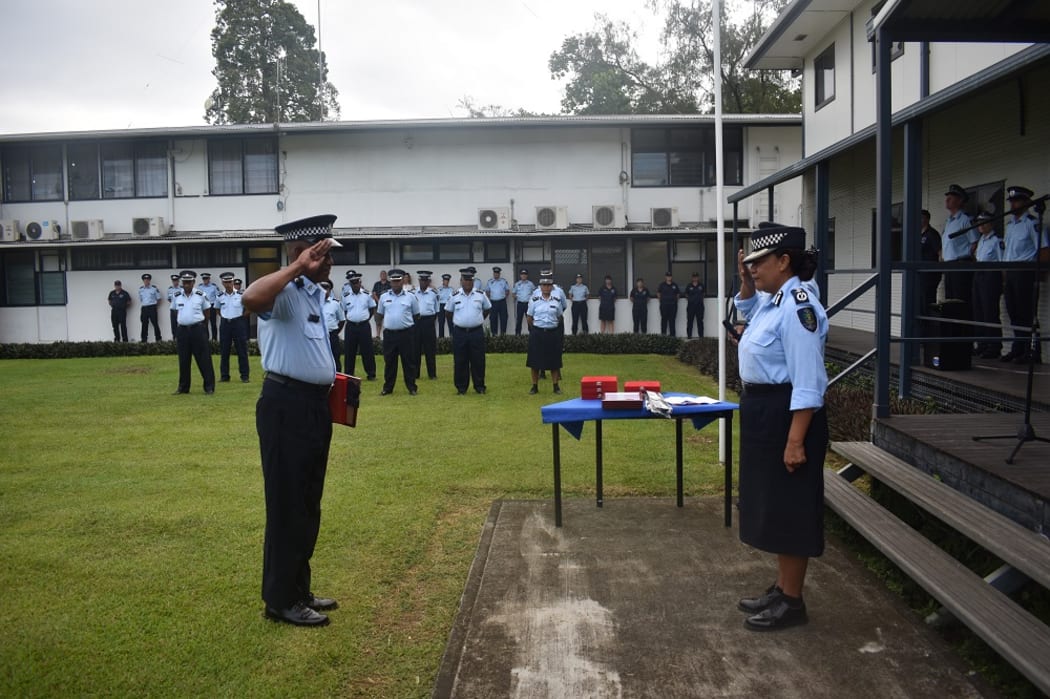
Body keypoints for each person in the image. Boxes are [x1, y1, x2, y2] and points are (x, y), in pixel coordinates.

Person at [241, 213, 342, 627]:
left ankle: (299, 589)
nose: (331, 262)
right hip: (286, 406)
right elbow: (250, 299)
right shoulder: (284, 292)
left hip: (315, 407)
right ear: (303, 255)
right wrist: (297, 269)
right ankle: (279, 600)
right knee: (286, 505)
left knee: (307, 503)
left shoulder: (313, 294)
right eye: (324, 255)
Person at [732, 223, 828, 632]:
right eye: (750, 263)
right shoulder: (774, 301)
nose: (752, 268)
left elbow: (808, 381)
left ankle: (792, 602)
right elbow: (748, 314)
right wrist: (746, 284)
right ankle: (782, 587)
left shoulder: (799, 306)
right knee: (772, 503)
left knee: (789, 507)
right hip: (764, 411)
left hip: (787, 416)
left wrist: (795, 441)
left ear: (784, 261)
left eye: (759, 262)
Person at [1001, 186, 1050, 363]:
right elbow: (1008, 252)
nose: (1013, 204)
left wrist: (1040, 274)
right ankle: (1018, 347)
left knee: (1026, 313)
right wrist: (1005, 274)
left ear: (1026, 202)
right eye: (1012, 201)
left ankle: (1031, 350)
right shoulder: (1010, 225)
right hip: (1012, 273)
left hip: (1026, 272)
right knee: (1013, 312)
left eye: (1017, 201)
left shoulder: (1032, 223)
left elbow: (1043, 249)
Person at [446, 267, 491, 394]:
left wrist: (478, 319)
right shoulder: (454, 295)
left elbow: (487, 309)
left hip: (476, 332)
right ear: (461, 281)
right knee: (460, 360)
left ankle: (479, 386)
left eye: (470, 280)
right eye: (465, 280)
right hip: (460, 332)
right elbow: (448, 312)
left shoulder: (480, 294)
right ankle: (461, 388)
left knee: (478, 360)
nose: (468, 282)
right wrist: (459, 321)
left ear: (473, 281)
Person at [171, 270, 216, 395]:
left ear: (193, 282)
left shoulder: (200, 295)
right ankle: (183, 387)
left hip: (197, 330)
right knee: (184, 360)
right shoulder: (176, 296)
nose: (186, 284)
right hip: (183, 331)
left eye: (189, 282)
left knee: (204, 359)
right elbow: (174, 312)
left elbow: (207, 311)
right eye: (184, 282)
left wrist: (202, 326)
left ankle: (209, 387)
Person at [376, 269, 419, 395]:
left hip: (406, 333)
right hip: (390, 334)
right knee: (389, 362)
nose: (396, 284)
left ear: (402, 282)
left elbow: (416, 315)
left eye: (398, 281)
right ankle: (387, 388)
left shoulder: (411, 297)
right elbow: (379, 315)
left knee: (409, 362)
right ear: (390, 282)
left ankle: (412, 387)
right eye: (393, 281)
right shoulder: (384, 297)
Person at [971, 212, 1003, 359]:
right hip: (979, 274)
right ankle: (982, 344)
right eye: (979, 223)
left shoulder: (997, 240)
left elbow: (1003, 261)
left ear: (991, 224)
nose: (981, 226)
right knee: (979, 311)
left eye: (984, 223)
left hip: (991, 275)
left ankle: (994, 346)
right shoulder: (981, 240)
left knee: (990, 311)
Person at [527, 275, 566, 394]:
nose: (546, 287)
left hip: (552, 333)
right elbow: (529, 317)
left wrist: (552, 326)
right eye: (544, 285)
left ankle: (555, 386)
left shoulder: (557, 300)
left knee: (554, 361)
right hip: (538, 333)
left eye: (549, 285)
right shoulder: (534, 300)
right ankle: (534, 386)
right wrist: (534, 329)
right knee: (535, 362)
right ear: (540, 287)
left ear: (551, 287)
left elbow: (560, 316)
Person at [941, 184, 976, 309]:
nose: (947, 200)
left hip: (961, 265)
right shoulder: (949, 221)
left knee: (961, 301)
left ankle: (964, 328)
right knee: (950, 301)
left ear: (960, 200)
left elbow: (974, 243)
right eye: (947, 197)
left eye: (951, 197)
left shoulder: (966, 220)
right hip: (949, 266)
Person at [341, 271, 377, 380]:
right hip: (351, 326)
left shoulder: (367, 295)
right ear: (350, 284)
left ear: (360, 282)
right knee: (349, 351)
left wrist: (364, 318)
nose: (355, 285)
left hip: (364, 326)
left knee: (367, 351)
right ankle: (349, 374)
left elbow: (372, 309)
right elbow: (345, 310)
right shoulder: (346, 296)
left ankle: (371, 374)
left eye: (356, 282)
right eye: (353, 283)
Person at [217, 271, 251, 382]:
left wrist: (241, 317)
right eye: (226, 282)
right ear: (223, 283)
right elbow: (218, 309)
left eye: (230, 282)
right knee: (224, 351)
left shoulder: (241, 295)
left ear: (233, 282)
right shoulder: (219, 296)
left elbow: (248, 308)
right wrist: (225, 317)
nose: (228, 284)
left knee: (242, 350)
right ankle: (224, 376)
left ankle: (245, 376)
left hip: (238, 323)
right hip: (225, 323)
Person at [414, 270, 439, 380]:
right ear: (419, 281)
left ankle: (432, 374)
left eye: (425, 280)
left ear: (428, 281)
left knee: (430, 349)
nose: (423, 282)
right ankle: (415, 374)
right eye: (421, 280)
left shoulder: (433, 294)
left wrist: (430, 321)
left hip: (429, 322)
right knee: (415, 349)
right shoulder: (413, 293)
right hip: (417, 322)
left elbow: (436, 311)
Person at [919, 209, 942, 314]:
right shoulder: (918, 235)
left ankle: (929, 325)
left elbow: (940, 252)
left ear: (926, 219)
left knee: (928, 300)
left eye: (921, 217)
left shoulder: (932, 234)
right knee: (919, 301)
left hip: (930, 274)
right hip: (919, 274)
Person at [320, 280, 345, 372]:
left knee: (335, 356)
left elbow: (342, 320)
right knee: (319, 357)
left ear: (330, 290)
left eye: (327, 288)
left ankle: (337, 376)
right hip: (318, 336)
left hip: (332, 334)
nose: (325, 291)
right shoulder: (313, 303)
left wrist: (336, 332)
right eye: (322, 288)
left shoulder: (335, 304)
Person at [485, 266, 510, 335]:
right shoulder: (490, 281)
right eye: (495, 273)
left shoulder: (503, 281)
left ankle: (503, 334)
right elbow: (487, 291)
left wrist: (504, 296)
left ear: (499, 274)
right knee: (493, 319)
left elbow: (507, 290)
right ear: (493, 273)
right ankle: (494, 334)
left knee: (504, 318)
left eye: (497, 273)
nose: (496, 274)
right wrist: (490, 297)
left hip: (502, 302)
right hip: (493, 302)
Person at [138, 273, 162, 342]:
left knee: (155, 323)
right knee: (144, 324)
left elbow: (159, 299)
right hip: (144, 308)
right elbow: (141, 299)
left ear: (149, 280)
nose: (146, 281)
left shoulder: (154, 289)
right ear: (143, 281)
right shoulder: (141, 289)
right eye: (145, 280)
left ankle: (158, 339)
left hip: (152, 307)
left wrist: (154, 306)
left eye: (147, 280)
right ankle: (144, 340)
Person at [513, 268, 536, 335]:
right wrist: (517, 297)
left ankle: (532, 334)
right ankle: (517, 335)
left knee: (530, 320)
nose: (523, 276)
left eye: (525, 274)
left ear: (527, 275)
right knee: (519, 320)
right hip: (520, 304)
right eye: (522, 274)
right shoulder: (517, 284)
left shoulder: (530, 284)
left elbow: (535, 293)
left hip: (528, 304)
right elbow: (513, 293)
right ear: (520, 275)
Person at [198, 272, 221, 340]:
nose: (205, 280)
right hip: (203, 307)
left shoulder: (214, 287)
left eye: (206, 279)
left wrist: (216, 307)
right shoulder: (200, 287)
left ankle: (214, 339)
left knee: (213, 324)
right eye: (204, 279)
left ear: (209, 279)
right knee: (204, 324)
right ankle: (206, 339)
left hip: (212, 306)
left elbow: (218, 297)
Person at [657, 272, 681, 336]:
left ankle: (672, 336)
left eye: (670, 276)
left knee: (672, 320)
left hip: (673, 306)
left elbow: (678, 294)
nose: (669, 277)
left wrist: (675, 301)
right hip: (664, 305)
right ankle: (663, 335)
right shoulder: (662, 285)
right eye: (667, 276)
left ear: (671, 277)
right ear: (665, 277)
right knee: (664, 320)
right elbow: (658, 294)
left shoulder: (675, 285)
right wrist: (661, 301)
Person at [684, 272, 706, 339]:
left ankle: (701, 336)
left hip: (699, 306)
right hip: (691, 306)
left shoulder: (701, 285)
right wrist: (690, 300)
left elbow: (704, 293)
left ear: (698, 277)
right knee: (690, 321)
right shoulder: (689, 286)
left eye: (696, 277)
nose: (695, 278)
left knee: (700, 321)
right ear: (692, 278)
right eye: (694, 277)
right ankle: (689, 336)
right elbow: (686, 294)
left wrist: (699, 299)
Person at [371, 270, 391, 338]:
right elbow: (374, 293)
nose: (383, 275)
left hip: (387, 306)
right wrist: (379, 301)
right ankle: (378, 336)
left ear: (386, 275)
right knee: (378, 322)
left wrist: (384, 302)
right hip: (377, 306)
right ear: (380, 276)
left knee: (388, 322)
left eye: (384, 274)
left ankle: (387, 336)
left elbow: (391, 294)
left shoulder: (390, 284)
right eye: (382, 274)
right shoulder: (376, 284)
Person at [436, 273, 454, 338]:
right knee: (441, 323)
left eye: (447, 280)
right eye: (445, 280)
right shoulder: (439, 289)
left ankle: (452, 338)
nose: (446, 282)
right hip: (441, 306)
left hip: (448, 306)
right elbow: (437, 299)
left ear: (448, 281)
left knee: (450, 323)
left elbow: (451, 299)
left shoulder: (451, 289)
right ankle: (441, 339)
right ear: (443, 281)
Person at [166, 274, 181, 338]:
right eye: (174, 281)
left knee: (181, 324)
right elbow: (169, 299)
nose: (175, 282)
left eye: (176, 281)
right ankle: (174, 338)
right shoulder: (170, 289)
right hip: (173, 309)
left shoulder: (182, 289)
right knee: (173, 324)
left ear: (178, 281)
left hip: (181, 309)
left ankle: (181, 338)